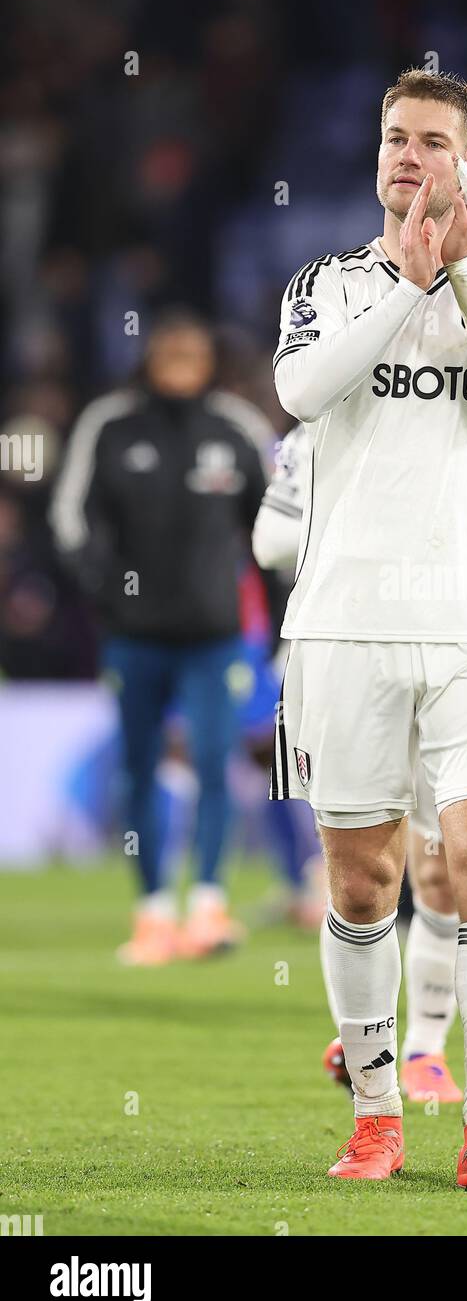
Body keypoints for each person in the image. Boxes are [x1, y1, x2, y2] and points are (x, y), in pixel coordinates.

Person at [270, 68, 467, 1187]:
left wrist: (458, 285)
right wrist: (406, 281)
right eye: (395, 136)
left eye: (431, 141)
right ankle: (379, 1115)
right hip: (342, 625)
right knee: (359, 884)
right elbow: (302, 394)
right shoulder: (327, 286)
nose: (406, 155)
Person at [253, 420, 467, 1103]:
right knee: (365, 880)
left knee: (460, 867)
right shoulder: (317, 423)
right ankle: (378, 1070)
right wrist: (366, 513)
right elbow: (269, 538)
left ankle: (427, 1051)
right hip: (351, 644)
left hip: (466, 641)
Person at [49, 311, 273, 964]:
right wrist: (110, 597)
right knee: (139, 767)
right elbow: (72, 521)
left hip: (214, 636)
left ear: (208, 360)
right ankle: (152, 913)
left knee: (212, 762)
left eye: (191, 353)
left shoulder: (235, 429)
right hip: (135, 638)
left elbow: (278, 529)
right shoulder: (111, 426)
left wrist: (282, 621)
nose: (180, 364)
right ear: (150, 358)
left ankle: (207, 905)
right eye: (168, 353)